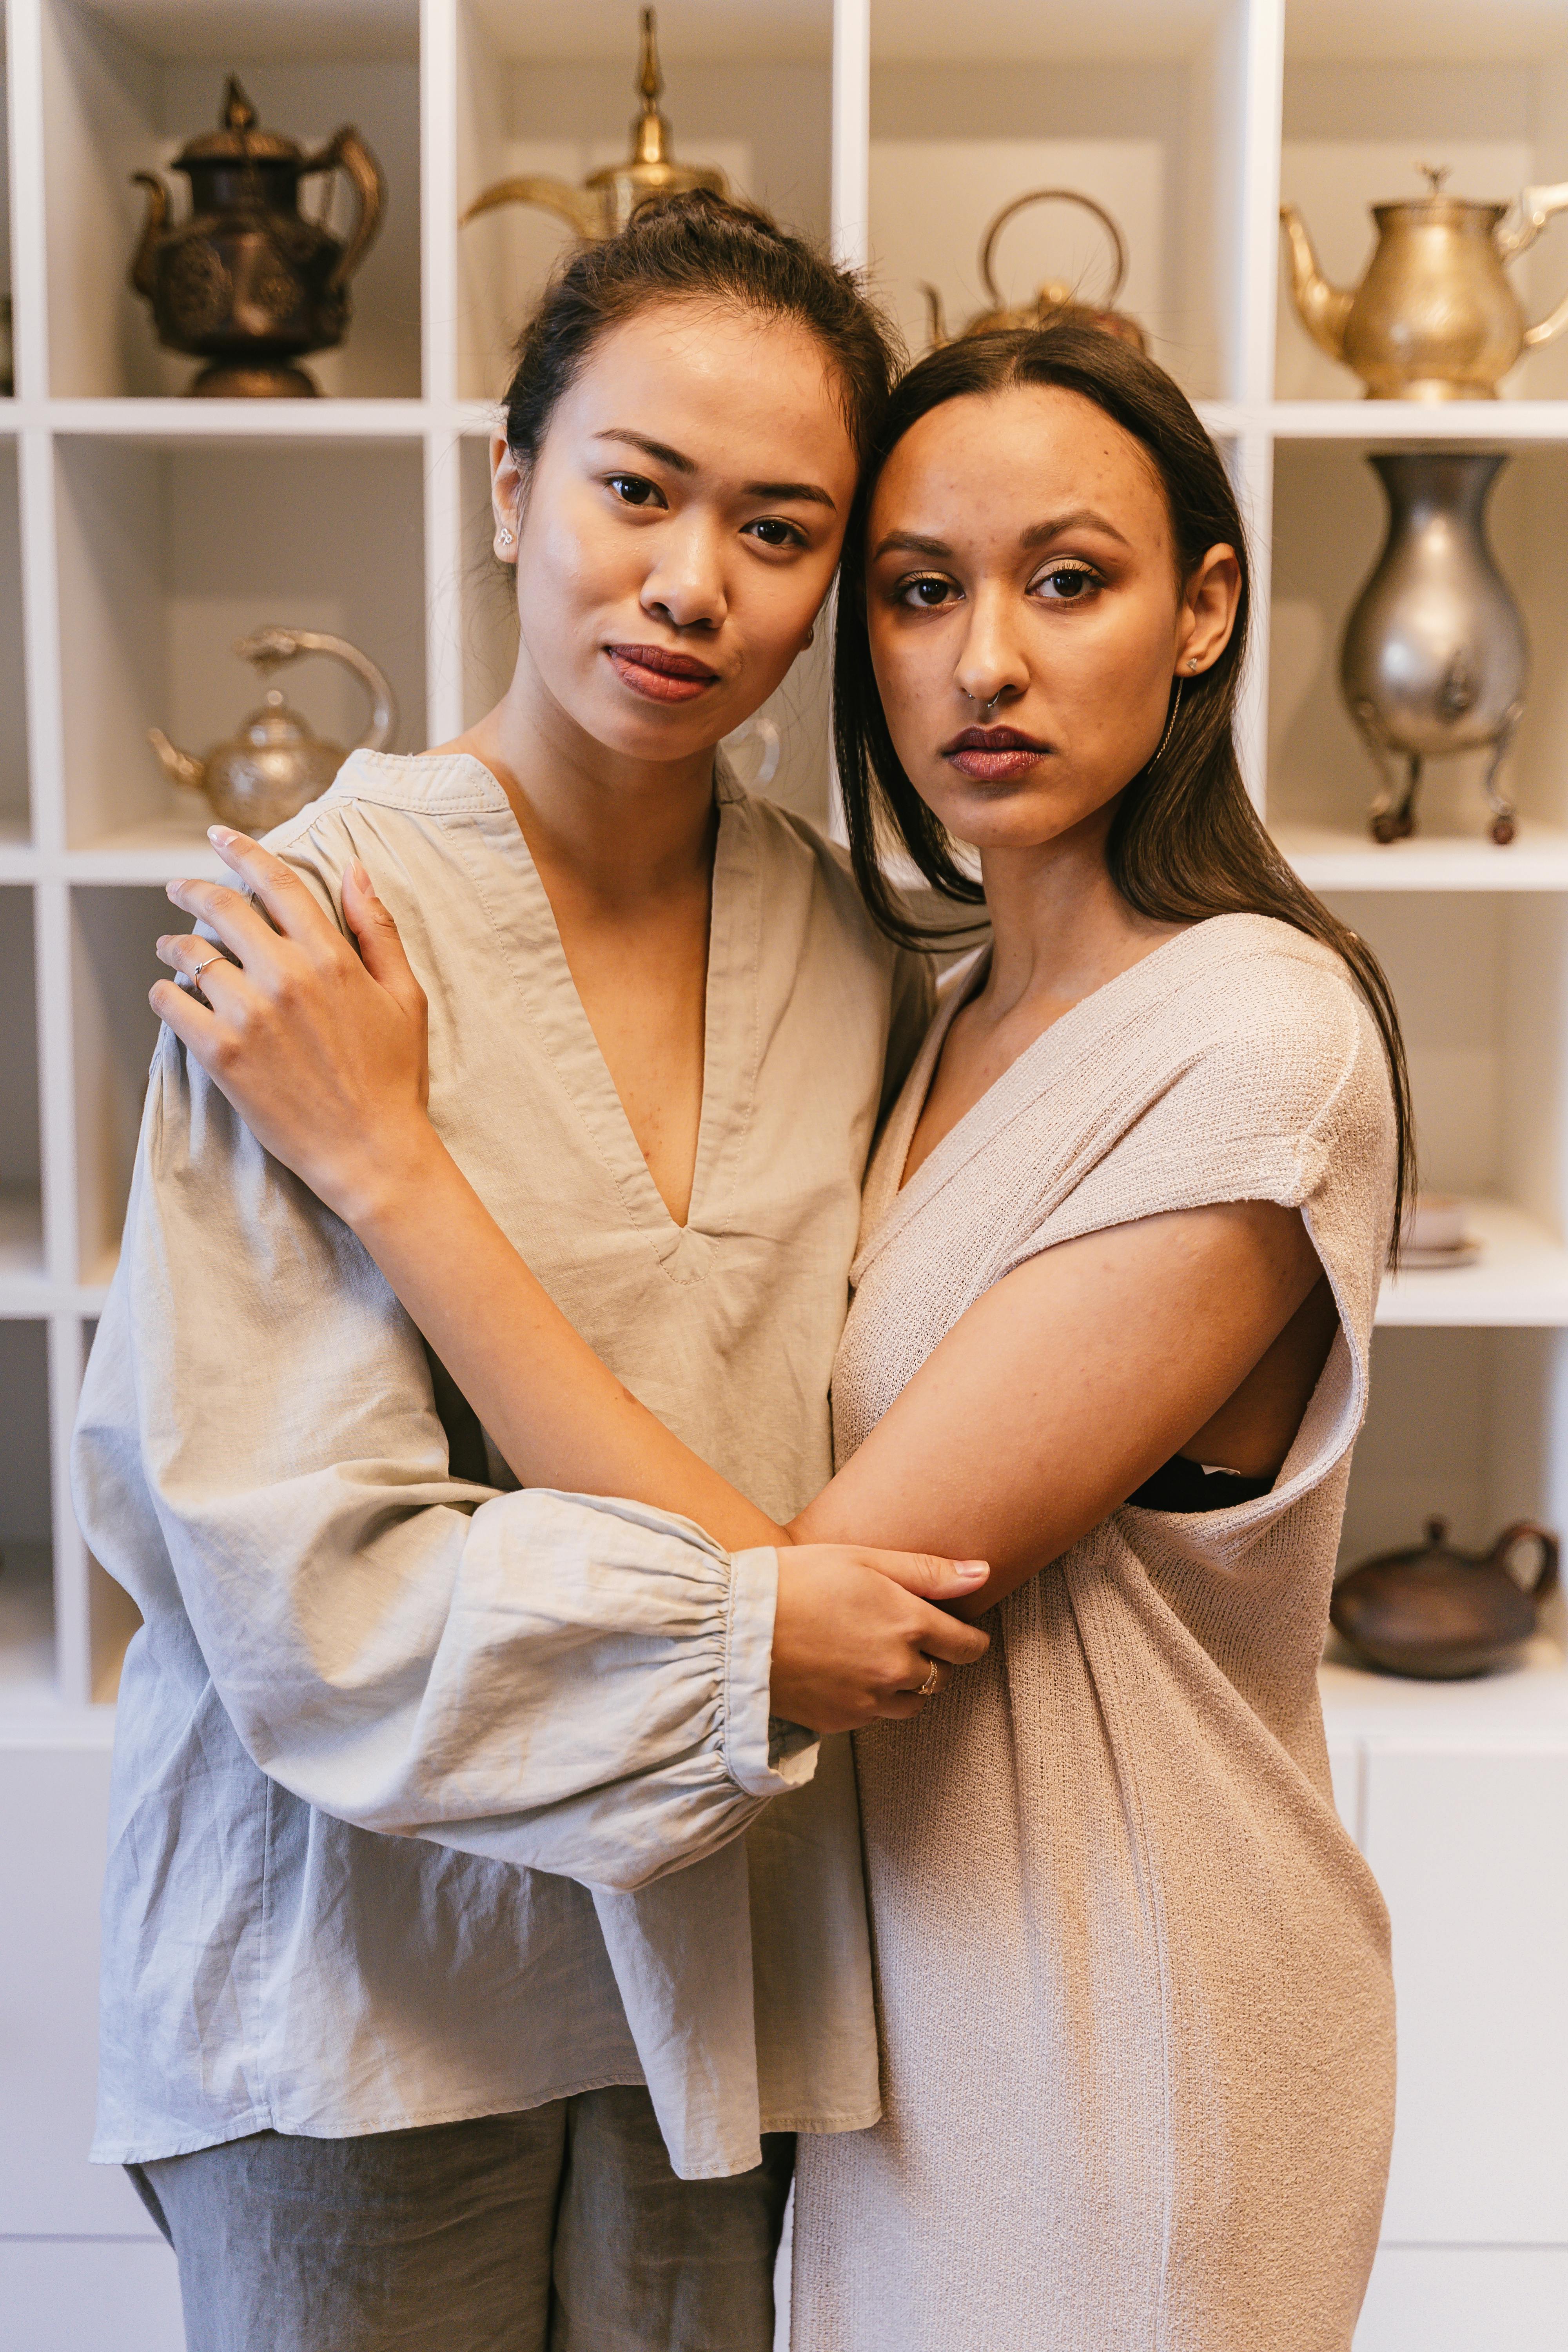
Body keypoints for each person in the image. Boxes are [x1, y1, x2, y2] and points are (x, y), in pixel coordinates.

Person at [165, 323, 1414, 2350]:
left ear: (1204, 610)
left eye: (1069, 581)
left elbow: (824, 1601)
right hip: (883, 2011)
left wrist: (392, 1165)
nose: (984, 662)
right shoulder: (936, 1007)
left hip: (1123, 2003)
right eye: (920, 591)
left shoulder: (1254, 1038)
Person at [71, 195, 996, 2352]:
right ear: (511, 492)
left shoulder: (854, 949)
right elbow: (288, 1573)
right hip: (355, 1987)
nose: (691, 583)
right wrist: (749, 1638)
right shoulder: (313, 931)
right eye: (634, 489)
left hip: (720, 1985)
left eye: (779, 530)